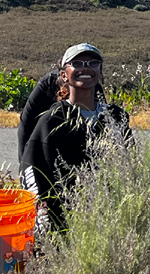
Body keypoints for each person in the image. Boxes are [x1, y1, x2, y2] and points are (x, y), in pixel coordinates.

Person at [20, 43, 131, 230]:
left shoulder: (115, 117)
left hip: (110, 218)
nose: (85, 67)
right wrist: (42, 213)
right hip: (66, 221)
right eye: (77, 63)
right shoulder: (52, 120)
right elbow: (31, 168)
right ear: (64, 74)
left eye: (93, 63)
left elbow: (131, 164)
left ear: (100, 72)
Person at [18, 63, 106, 160]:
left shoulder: (91, 86)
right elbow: (26, 123)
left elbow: (104, 123)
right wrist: (23, 162)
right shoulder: (47, 83)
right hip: (46, 130)